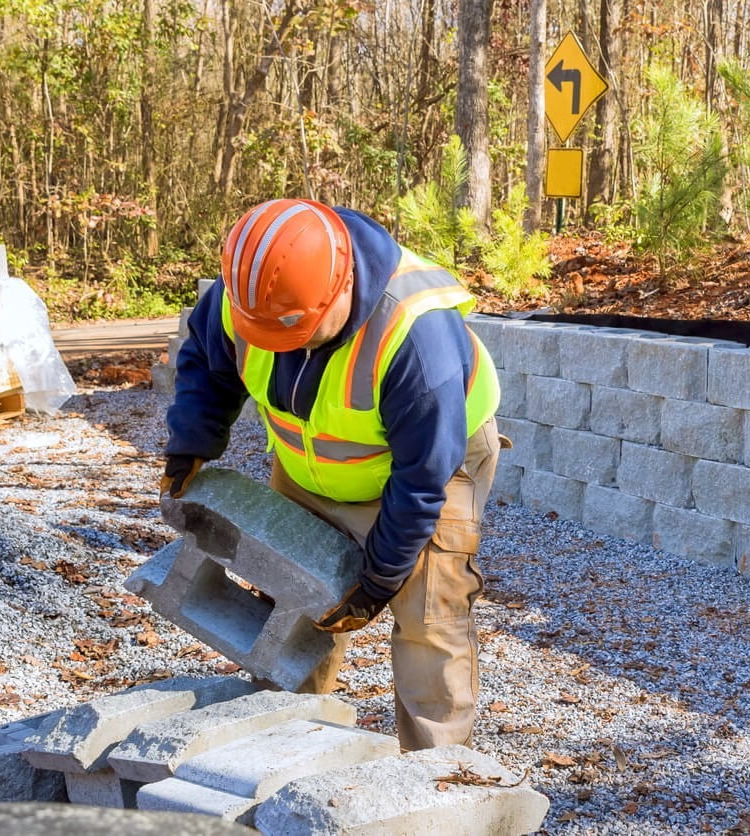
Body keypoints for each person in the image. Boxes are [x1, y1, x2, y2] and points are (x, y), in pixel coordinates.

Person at [160, 198, 504, 751]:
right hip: (309, 461)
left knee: (428, 618)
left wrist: (377, 582)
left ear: (343, 286)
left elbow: (422, 482)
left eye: (299, 337)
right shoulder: (253, 288)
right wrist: (191, 443)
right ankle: (286, 744)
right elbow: (206, 358)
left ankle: (434, 777)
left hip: (431, 465)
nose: (284, 352)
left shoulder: (416, 336)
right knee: (295, 591)